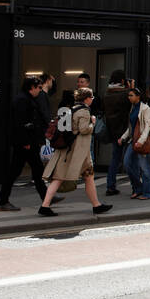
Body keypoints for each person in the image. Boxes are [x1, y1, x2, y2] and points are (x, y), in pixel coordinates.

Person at [38, 89, 113, 217]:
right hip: (76, 153)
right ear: (86, 98)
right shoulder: (84, 111)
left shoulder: (72, 109)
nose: (93, 99)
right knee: (59, 178)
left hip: (73, 151)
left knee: (87, 177)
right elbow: (84, 129)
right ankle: (44, 206)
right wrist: (93, 123)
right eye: (91, 97)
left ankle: (96, 205)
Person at [0, 76, 48, 211]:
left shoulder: (27, 99)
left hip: (27, 141)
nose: (40, 91)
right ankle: (2, 201)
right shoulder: (22, 100)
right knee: (24, 171)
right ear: (32, 88)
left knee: (33, 170)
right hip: (25, 142)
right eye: (39, 88)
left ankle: (47, 197)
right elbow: (20, 123)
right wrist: (25, 142)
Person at [117, 86, 150, 200]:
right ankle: (138, 188)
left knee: (144, 168)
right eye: (128, 95)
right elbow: (131, 127)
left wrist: (141, 141)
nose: (129, 97)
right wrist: (123, 137)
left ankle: (148, 193)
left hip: (141, 142)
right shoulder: (132, 108)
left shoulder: (145, 108)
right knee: (127, 164)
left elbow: (147, 126)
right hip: (132, 141)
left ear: (138, 96)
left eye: (131, 95)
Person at [102, 70, 132, 196]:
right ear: (122, 81)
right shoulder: (125, 94)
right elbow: (138, 100)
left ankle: (110, 185)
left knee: (115, 159)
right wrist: (132, 88)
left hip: (113, 131)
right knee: (130, 159)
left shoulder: (107, 94)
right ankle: (137, 186)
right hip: (125, 130)